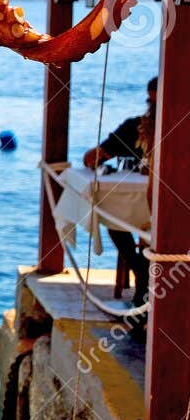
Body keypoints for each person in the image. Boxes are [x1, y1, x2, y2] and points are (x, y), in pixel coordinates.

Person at [81, 77, 156, 314]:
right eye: (151, 103)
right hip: (138, 203)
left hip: (168, 211)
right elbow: (93, 157)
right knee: (113, 216)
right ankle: (139, 268)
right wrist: (99, 155)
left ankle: (143, 276)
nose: (153, 109)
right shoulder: (135, 127)